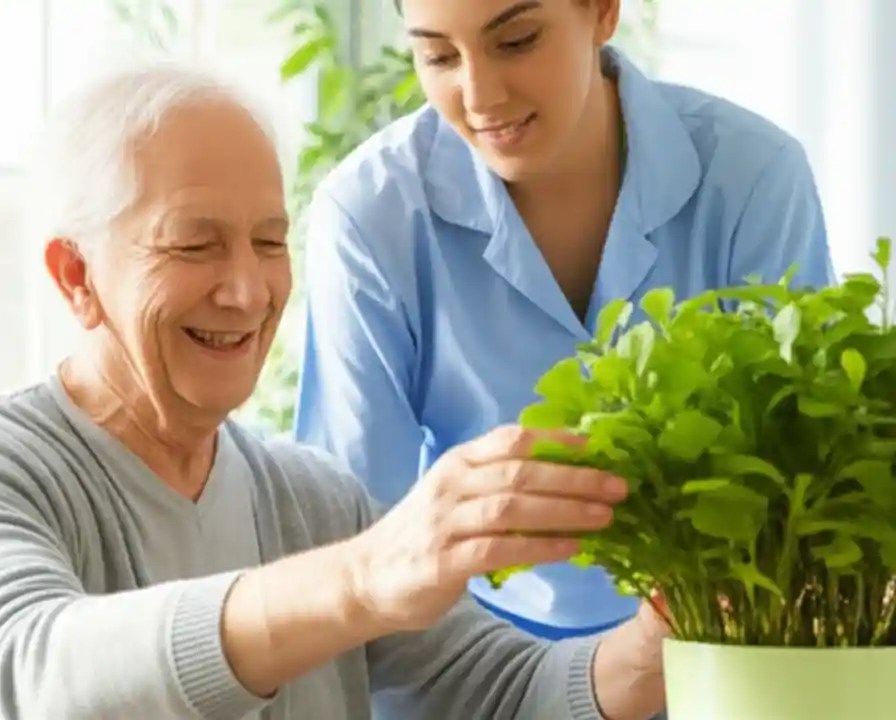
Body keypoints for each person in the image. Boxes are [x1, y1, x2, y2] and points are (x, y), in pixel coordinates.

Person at [0, 64, 671, 720]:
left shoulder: (315, 500)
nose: (248, 292)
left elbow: (501, 691)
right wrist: (359, 581)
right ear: (76, 277)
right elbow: (22, 675)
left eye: (269, 242)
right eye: (195, 244)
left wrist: (658, 648)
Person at [292, 0, 835, 640]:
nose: (481, 96)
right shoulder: (370, 214)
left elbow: (801, 481)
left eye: (517, 40)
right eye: (439, 56)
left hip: (715, 644)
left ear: (604, 12)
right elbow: (359, 540)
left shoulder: (752, 177)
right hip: (471, 665)